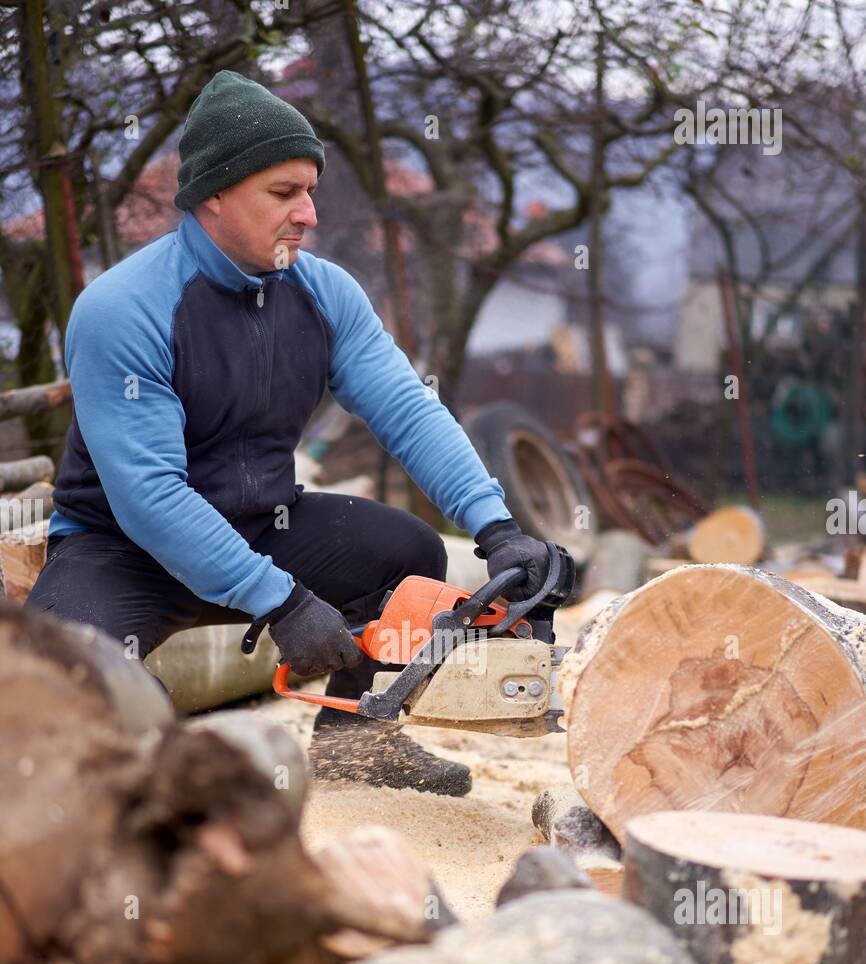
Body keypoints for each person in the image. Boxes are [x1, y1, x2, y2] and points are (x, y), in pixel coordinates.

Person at [27, 70, 553, 797]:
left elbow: (407, 408)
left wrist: (496, 527)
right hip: (122, 549)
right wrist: (280, 600)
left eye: (310, 191)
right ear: (213, 193)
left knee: (406, 552)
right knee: (58, 676)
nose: (307, 213)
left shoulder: (326, 292)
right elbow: (148, 496)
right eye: (283, 193)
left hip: (263, 525)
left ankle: (355, 750)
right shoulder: (123, 309)